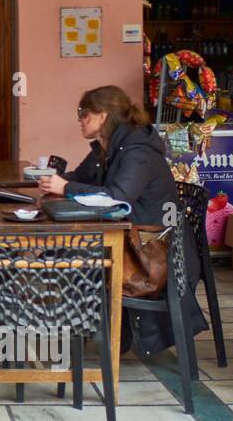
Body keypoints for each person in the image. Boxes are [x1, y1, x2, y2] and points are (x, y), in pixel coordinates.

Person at [38, 84, 207, 355]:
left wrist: (65, 189)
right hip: (133, 238)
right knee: (60, 252)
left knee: (65, 254)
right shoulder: (107, 147)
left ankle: (82, 332)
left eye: (84, 113)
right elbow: (79, 178)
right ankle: (80, 328)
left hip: (156, 252)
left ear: (103, 116)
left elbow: (118, 198)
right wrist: (53, 181)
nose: (79, 120)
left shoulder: (137, 151)